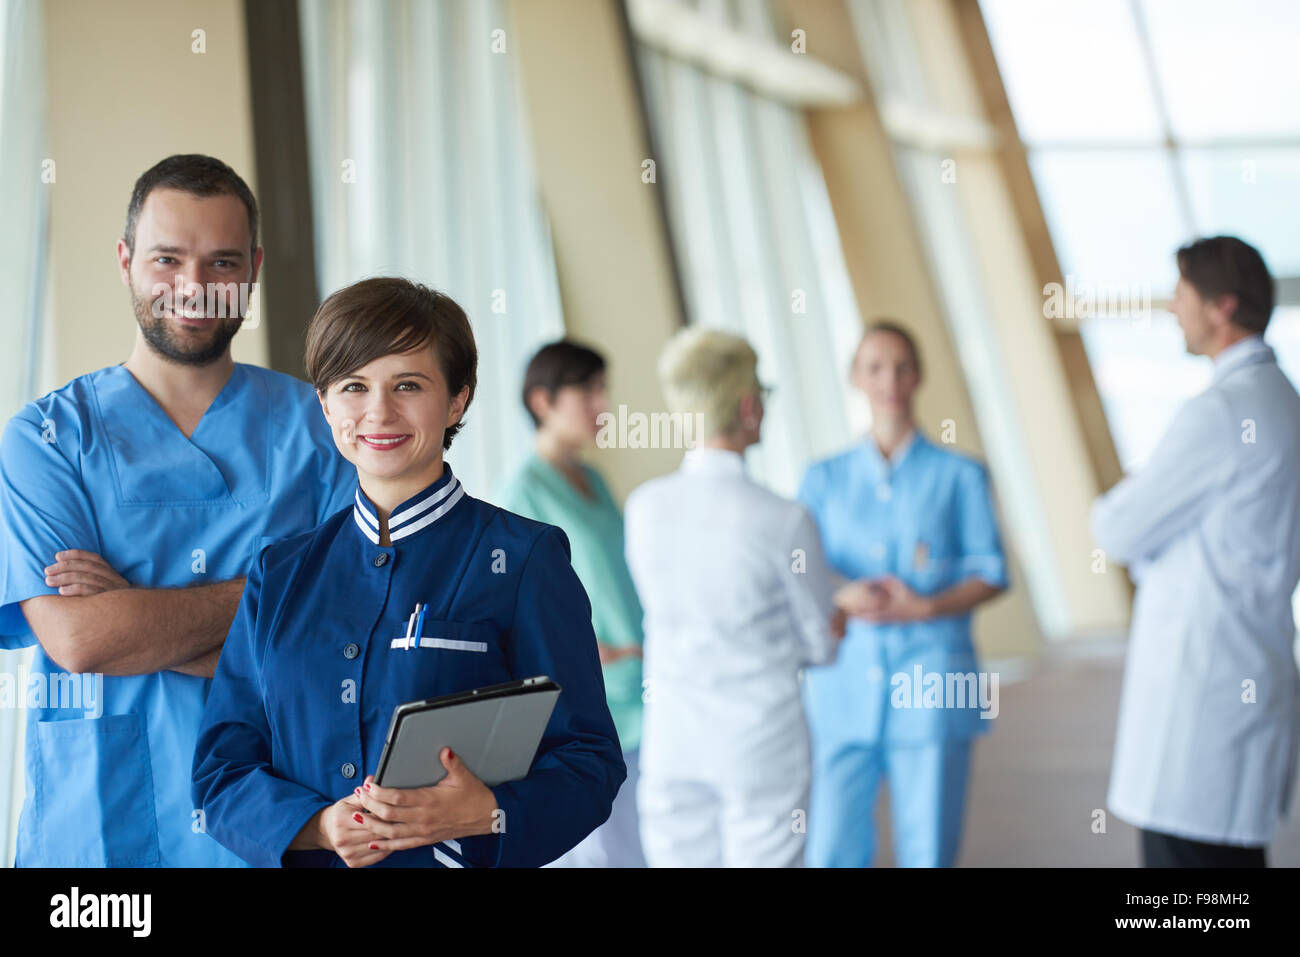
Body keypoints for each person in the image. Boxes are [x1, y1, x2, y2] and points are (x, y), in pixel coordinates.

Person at [191, 277, 625, 868]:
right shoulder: (280, 571)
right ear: (324, 404)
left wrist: (488, 812)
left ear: (457, 400)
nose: (379, 412)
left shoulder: (525, 558)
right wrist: (316, 825)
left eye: (408, 385)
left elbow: (588, 759)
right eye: (353, 386)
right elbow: (222, 770)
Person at [0, 155, 353, 867]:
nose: (195, 287)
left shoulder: (322, 429)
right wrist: (273, 600)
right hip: (98, 832)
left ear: (252, 270)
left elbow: (342, 635)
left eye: (222, 262)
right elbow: (79, 641)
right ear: (127, 260)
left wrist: (133, 609)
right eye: (168, 258)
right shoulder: (46, 440)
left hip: (276, 815)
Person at [1092, 236, 1300, 868]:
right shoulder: (1284, 403)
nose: (1171, 309)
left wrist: (1125, 498)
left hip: (1201, 703)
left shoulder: (1220, 413)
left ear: (1221, 306)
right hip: (1249, 670)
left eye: (1181, 296)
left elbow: (1119, 532)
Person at [624, 327, 845, 867]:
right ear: (748, 406)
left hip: (673, 738)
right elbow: (820, 643)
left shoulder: (644, 507)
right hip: (760, 741)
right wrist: (839, 616)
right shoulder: (783, 518)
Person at [797, 321, 1007, 868]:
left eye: (901, 366)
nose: (889, 379)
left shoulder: (961, 475)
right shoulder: (823, 478)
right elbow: (804, 569)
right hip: (843, 685)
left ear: (918, 376)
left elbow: (992, 570)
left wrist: (928, 606)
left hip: (933, 682)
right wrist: (843, 595)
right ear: (855, 378)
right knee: (831, 849)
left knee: (929, 847)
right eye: (874, 367)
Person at [497, 340, 647, 867]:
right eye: (588, 391)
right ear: (542, 401)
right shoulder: (522, 492)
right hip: (592, 697)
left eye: (603, 390)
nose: (602, 405)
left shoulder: (596, 481)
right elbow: (513, 610)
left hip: (642, 686)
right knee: (611, 850)